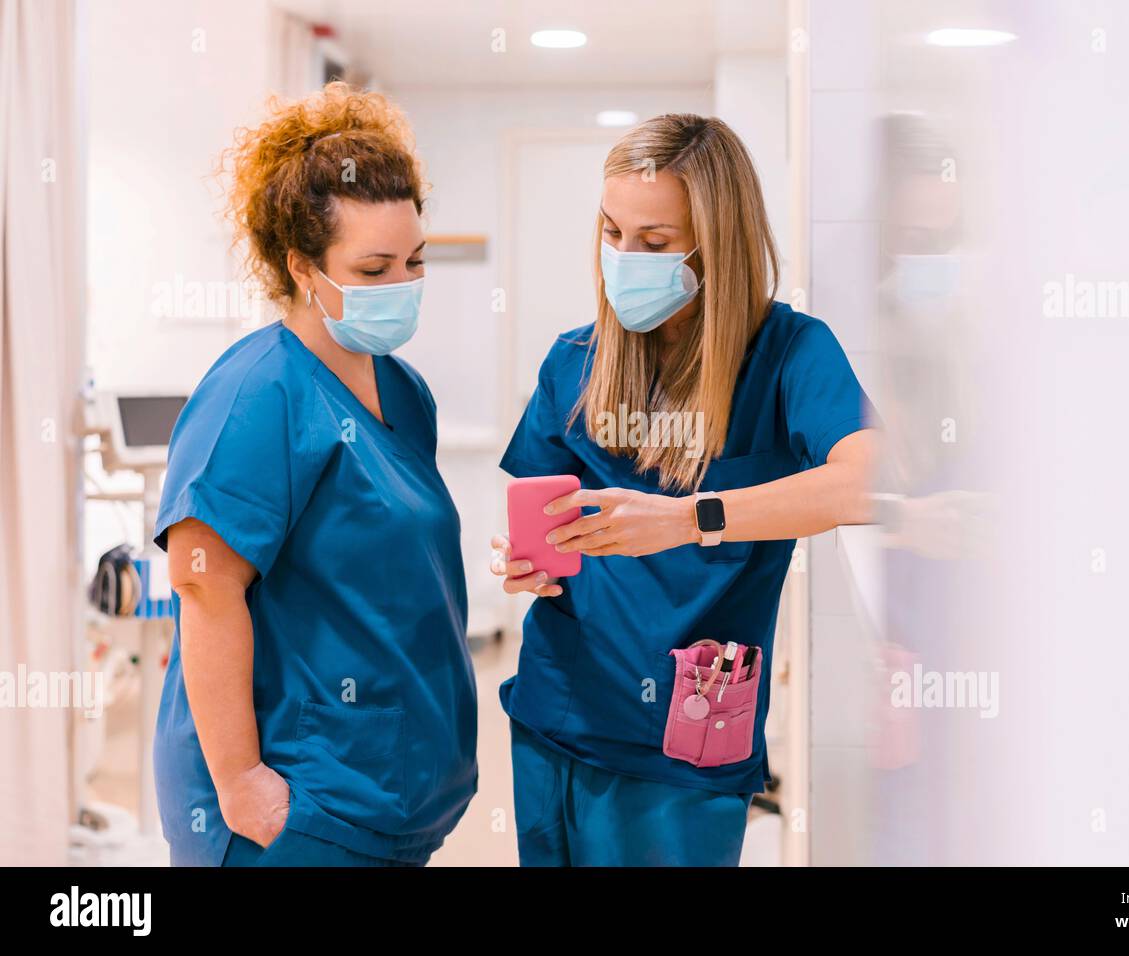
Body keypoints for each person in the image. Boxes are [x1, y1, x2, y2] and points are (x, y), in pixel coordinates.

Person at [490, 113, 875, 866]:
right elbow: (540, 517)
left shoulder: (790, 354)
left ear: (717, 242)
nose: (624, 259)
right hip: (557, 717)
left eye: (655, 243)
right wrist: (524, 563)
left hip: (687, 743)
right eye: (611, 233)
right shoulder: (575, 361)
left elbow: (862, 482)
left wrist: (691, 518)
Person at [152, 82, 477, 867]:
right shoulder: (258, 392)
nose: (401, 286)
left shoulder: (401, 389)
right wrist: (241, 784)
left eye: (413, 262)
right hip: (292, 805)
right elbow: (203, 584)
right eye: (372, 270)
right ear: (302, 266)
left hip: (385, 796)